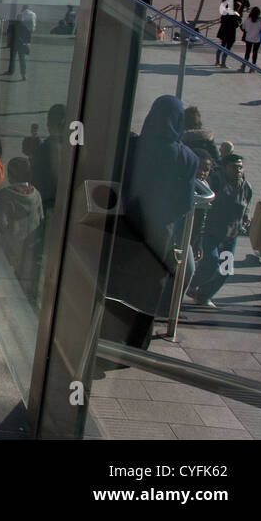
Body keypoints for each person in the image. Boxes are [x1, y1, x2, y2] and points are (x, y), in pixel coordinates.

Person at [101, 95, 199, 351]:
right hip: (159, 234)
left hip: (127, 226)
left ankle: (107, 337)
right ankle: (136, 345)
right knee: (148, 288)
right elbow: (186, 204)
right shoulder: (187, 158)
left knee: (118, 283)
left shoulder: (133, 146)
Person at [189, 153, 252, 307]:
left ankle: (203, 296)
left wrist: (245, 221)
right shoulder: (215, 181)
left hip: (230, 236)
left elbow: (245, 207)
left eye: (240, 168)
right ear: (225, 168)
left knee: (225, 270)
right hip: (210, 233)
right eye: (234, 167)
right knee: (211, 265)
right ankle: (188, 285)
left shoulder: (245, 186)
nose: (238, 171)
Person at [0, 157, 45, 305]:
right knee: (24, 275)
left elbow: (0, 221)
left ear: (11, 175)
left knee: (7, 277)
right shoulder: (36, 194)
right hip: (30, 246)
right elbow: (41, 218)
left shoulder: (7, 194)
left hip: (10, 245)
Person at [4, 5, 36, 79]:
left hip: (14, 45)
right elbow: (28, 37)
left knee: (12, 59)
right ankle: (23, 74)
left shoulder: (12, 26)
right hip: (21, 45)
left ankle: (11, 71)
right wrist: (26, 43)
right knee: (22, 60)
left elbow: (8, 34)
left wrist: (8, 43)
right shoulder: (25, 26)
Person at [216, 0, 241, 67]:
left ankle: (217, 61)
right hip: (231, 33)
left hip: (223, 31)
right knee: (228, 48)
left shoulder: (226, 12)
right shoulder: (236, 15)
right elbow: (237, 25)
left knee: (222, 45)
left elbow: (222, 21)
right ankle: (223, 62)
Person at [241, 6, 261, 72]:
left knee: (247, 52)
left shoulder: (248, 19)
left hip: (248, 38)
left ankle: (244, 65)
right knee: (255, 53)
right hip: (257, 39)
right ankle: (253, 67)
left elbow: (244, 28)